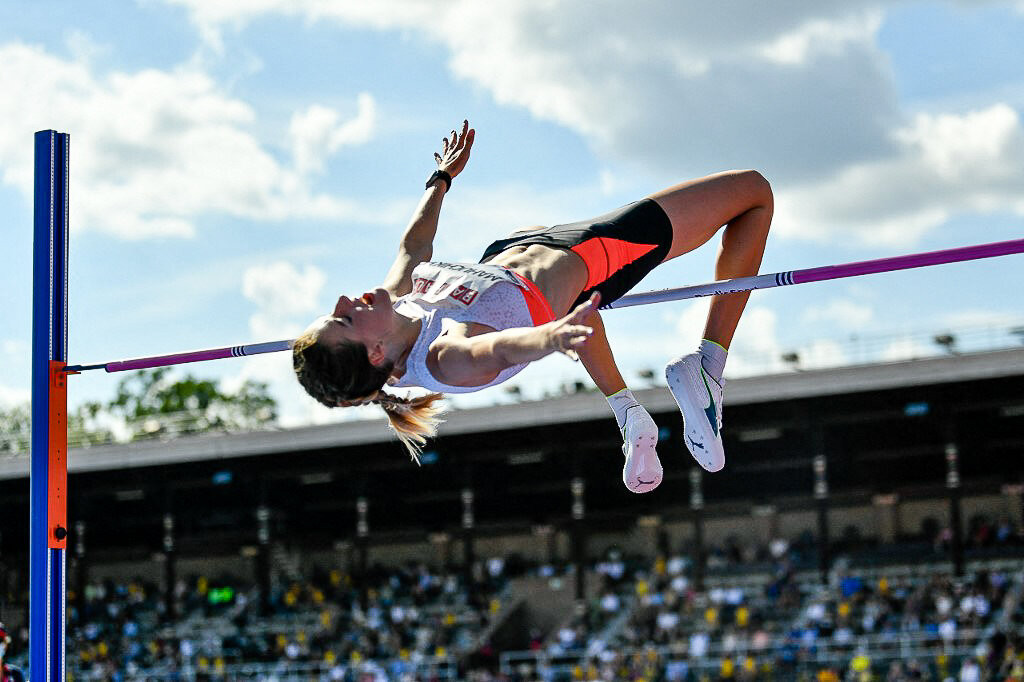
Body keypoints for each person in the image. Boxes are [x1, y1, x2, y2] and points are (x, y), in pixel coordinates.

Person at [293, 120, 772, 492]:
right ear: (374, 352)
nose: (343, 300)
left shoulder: (396, 315)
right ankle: (707, 365)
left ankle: (629, 414)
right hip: (594, 255)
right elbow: (497, 351)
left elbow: (412, 250)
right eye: (345, 318)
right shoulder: (443, 357)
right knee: (752, 193)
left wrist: (439, 179)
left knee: (582, 312)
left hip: (527, 249)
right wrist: (552, 336)